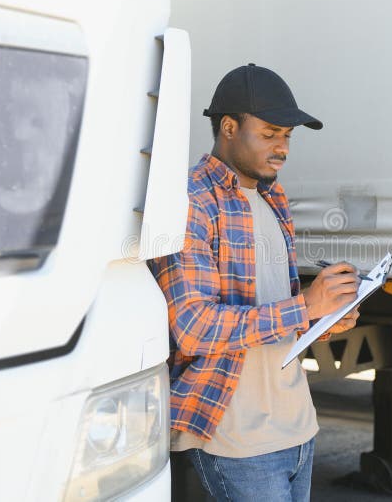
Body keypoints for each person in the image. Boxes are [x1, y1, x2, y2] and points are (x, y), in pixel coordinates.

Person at [150, 63, 361, 501]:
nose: (282, 147)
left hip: (298, 426)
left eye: (287, 136)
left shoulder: (272, 197)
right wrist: (305, 306)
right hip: (237, 438)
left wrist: (323, 317)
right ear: (229, 127)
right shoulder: (191, 202)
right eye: (269, 134)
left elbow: (274, 313)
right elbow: (193, 327)